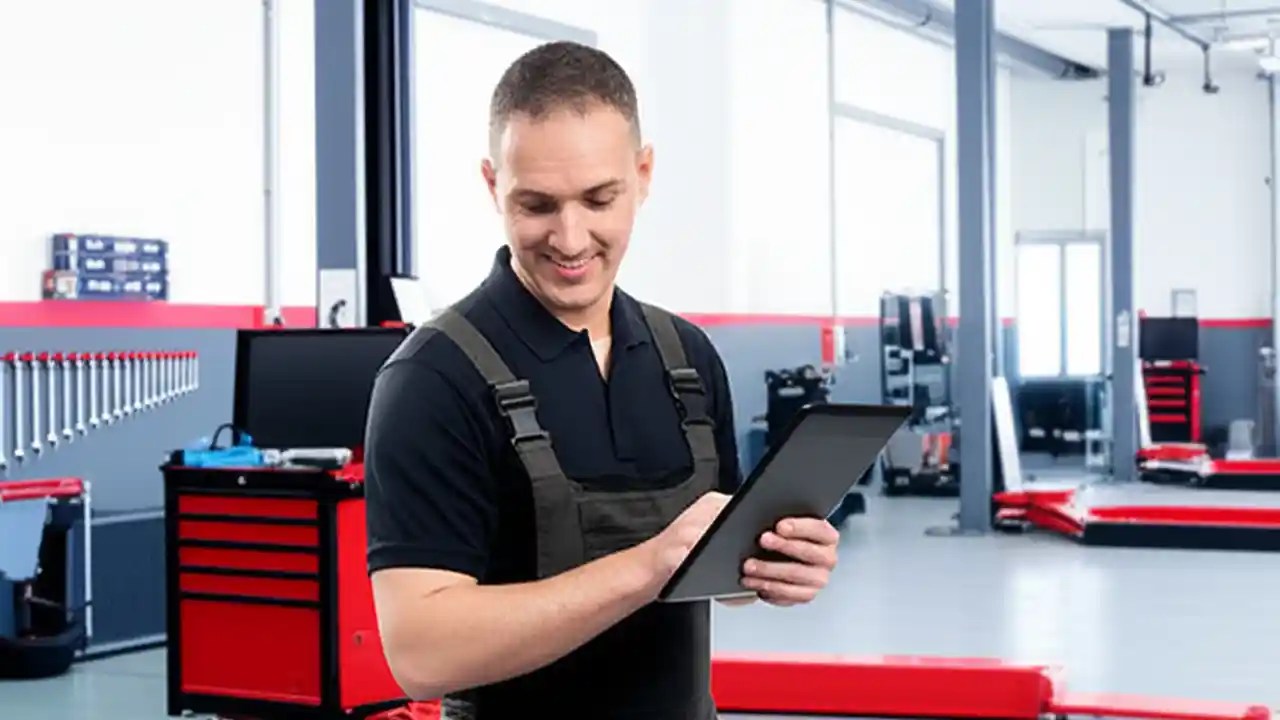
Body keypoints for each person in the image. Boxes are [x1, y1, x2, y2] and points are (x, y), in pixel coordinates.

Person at [363, 40, 841, 718]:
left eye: (598, 198)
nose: (570, 237)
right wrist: (647, 567)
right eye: (537, 204)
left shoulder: (688, 360)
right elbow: (421, 655)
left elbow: (716, 572)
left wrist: (774, 563)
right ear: (492, 184)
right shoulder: (433, 380)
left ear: (643, 175)